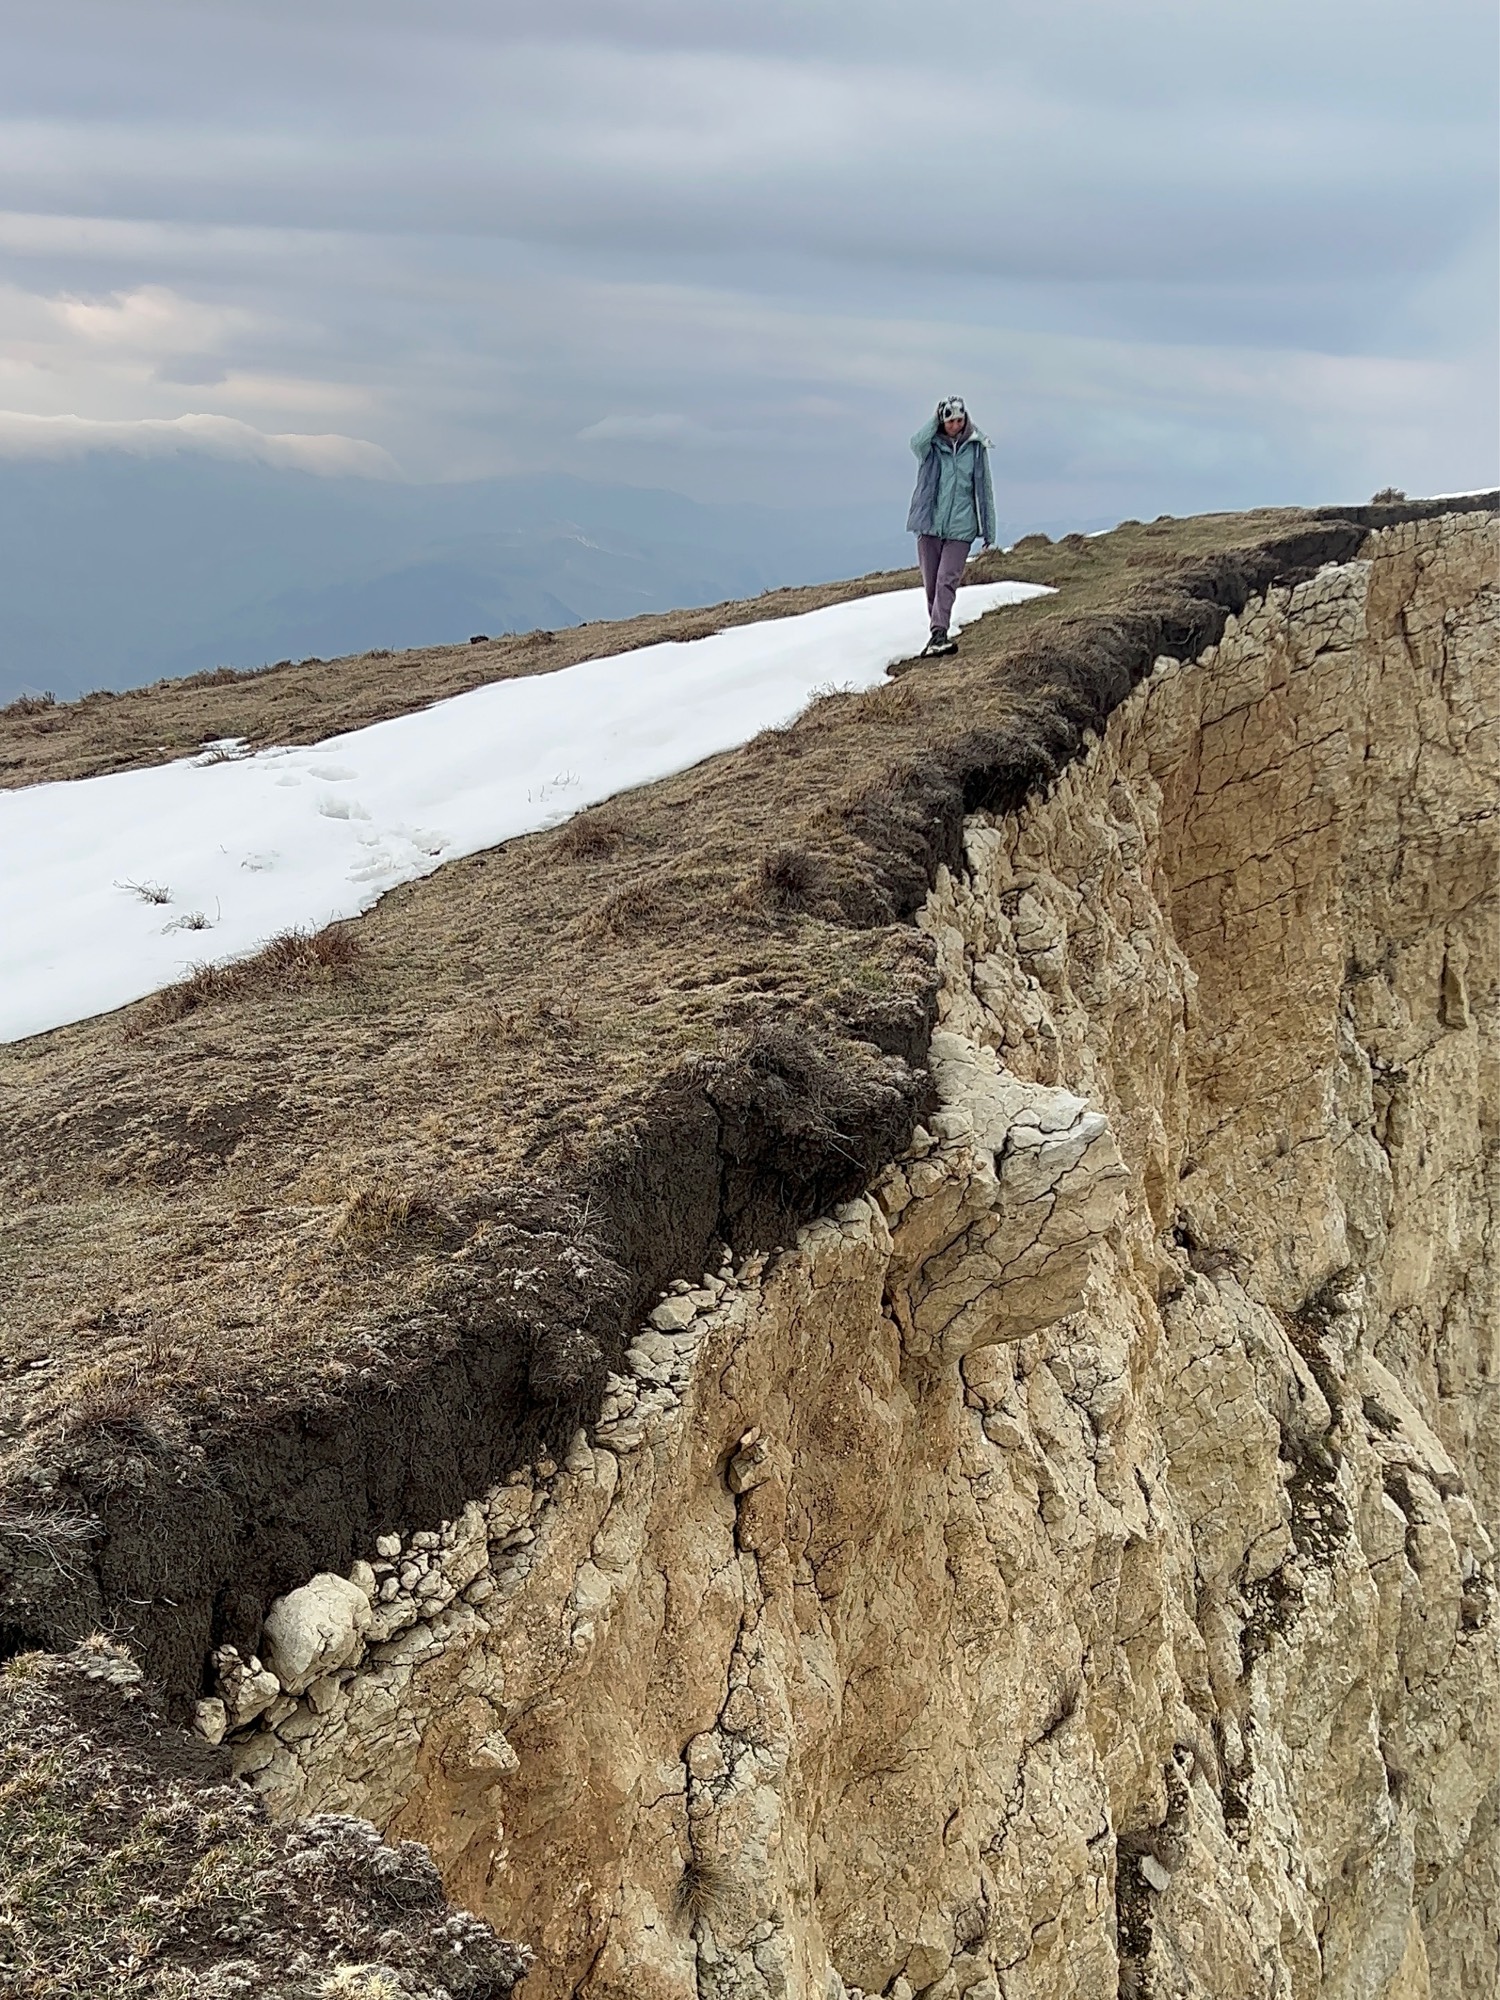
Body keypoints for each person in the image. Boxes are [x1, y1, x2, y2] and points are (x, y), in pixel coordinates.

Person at [905, 395, 997, 656]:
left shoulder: (976, 447)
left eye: (959, 419)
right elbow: (915, 442)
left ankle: (938, 632)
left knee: (947, 579)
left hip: (961, 528)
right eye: (950, 420)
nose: (955, 425)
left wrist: (988, 531)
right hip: (929, 525)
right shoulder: (930, 446)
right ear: (942, 422)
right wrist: (934, 420)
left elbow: (984, 490)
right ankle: (938, 634)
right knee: (932, 582)